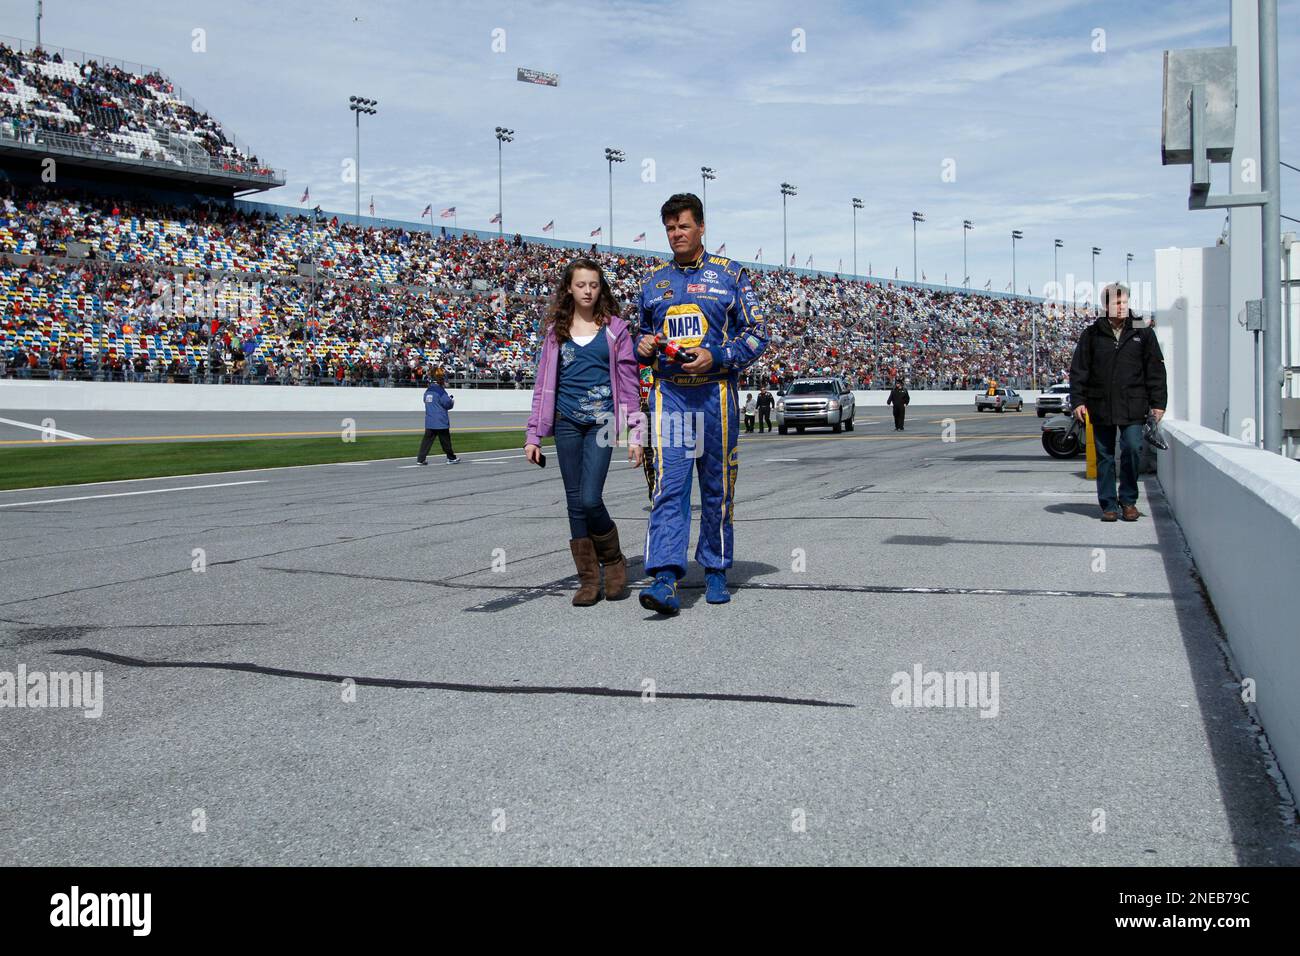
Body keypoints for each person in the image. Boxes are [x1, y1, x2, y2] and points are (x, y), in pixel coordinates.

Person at [635, 193, 769, 614]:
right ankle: (665, 577)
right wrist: (642, 348)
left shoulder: (731, 275)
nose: (676, 234)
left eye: (684, 226)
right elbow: (640, 340)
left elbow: (758, 334)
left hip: (716, 395)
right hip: (670, 396)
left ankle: (714, 567)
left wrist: (721, 356)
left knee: (717, 488)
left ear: (702, 227)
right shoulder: (652, 282)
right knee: (669, 488)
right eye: (671, 228)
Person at [525, 257, 643, 605]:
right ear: (569, 289)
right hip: (566, 424)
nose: (588, 291)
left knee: (591, 498)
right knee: (575, 503)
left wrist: (636, 434)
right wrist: (534, 435)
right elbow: (541, 387)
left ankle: (614, 562)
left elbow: (628, 382)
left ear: (600, 288)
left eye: (593, 284)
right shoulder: (554, 333)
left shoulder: (615, 330)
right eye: (581, 285)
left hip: (602, 424)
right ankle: (589, 581)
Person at [1069, 282, 1167, 522]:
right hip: (1100, 404)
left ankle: (1129, 501)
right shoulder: (1091, 334)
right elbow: (1079, 370)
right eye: (1117, 303)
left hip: (1134, 404)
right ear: (1106, 305)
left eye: (1125, 302)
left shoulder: (1142, 331)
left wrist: (1158, 403)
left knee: (1132, 448)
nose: (1122, 307)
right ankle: (1109, 505)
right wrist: (1078, 401)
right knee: (1104, 456)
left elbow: (1155, 369)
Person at [416, 367, 460, 464]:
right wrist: (451, 400)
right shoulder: (440, 391)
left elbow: (426, 401)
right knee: (445, 442)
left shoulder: (427, 391)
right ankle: (451, 458)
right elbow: (447, 404)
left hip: (430, 419)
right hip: (440, 420)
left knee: (426, 442)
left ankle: (420, 459)